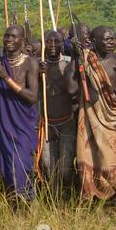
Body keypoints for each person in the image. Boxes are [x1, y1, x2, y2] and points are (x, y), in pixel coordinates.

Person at [75, 25, 116, 198]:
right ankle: (105, 198)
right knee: (94, 158)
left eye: (114, 38)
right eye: (107, 39)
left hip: (113, 115)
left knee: (109, 164)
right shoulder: (86, 61)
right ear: (94, 42)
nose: (112, 42)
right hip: (91, 113)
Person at [0, 24, 41, 203]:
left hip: (23, 122)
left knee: (22, 161)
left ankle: (27, 199)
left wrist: (5, 78)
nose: (9, 39)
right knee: (7, 163)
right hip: (3, 122)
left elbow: (32, 96)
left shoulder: (30, 63)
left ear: (22, 40)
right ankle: (14, 202)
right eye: (6, 36)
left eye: (13, 36)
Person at [39, 29, 79, 192]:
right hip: (46, 123)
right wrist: (38, 73)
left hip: (66, 121)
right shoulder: (38, 64)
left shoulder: (68, 64)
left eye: (57, 41)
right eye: (49, 41)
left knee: (65, 168)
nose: (53, 45)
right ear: (43, 44)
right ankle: (53, 199)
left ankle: (68, 194)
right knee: (49, 166)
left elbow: (73, 90)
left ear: (63, 44)